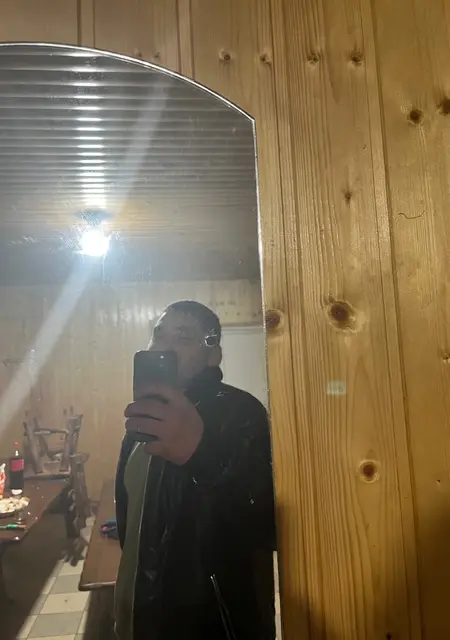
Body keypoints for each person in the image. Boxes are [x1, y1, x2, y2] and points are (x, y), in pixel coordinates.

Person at [115, 300, 276, 640]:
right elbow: (131, 521)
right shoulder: (142, 421)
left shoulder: (242, 412)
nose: (164, 347)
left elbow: (268, 523)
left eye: (182, 337)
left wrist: (201, 453)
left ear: (213, 354)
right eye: (159, 335)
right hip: (140, 614)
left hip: (212, 623)